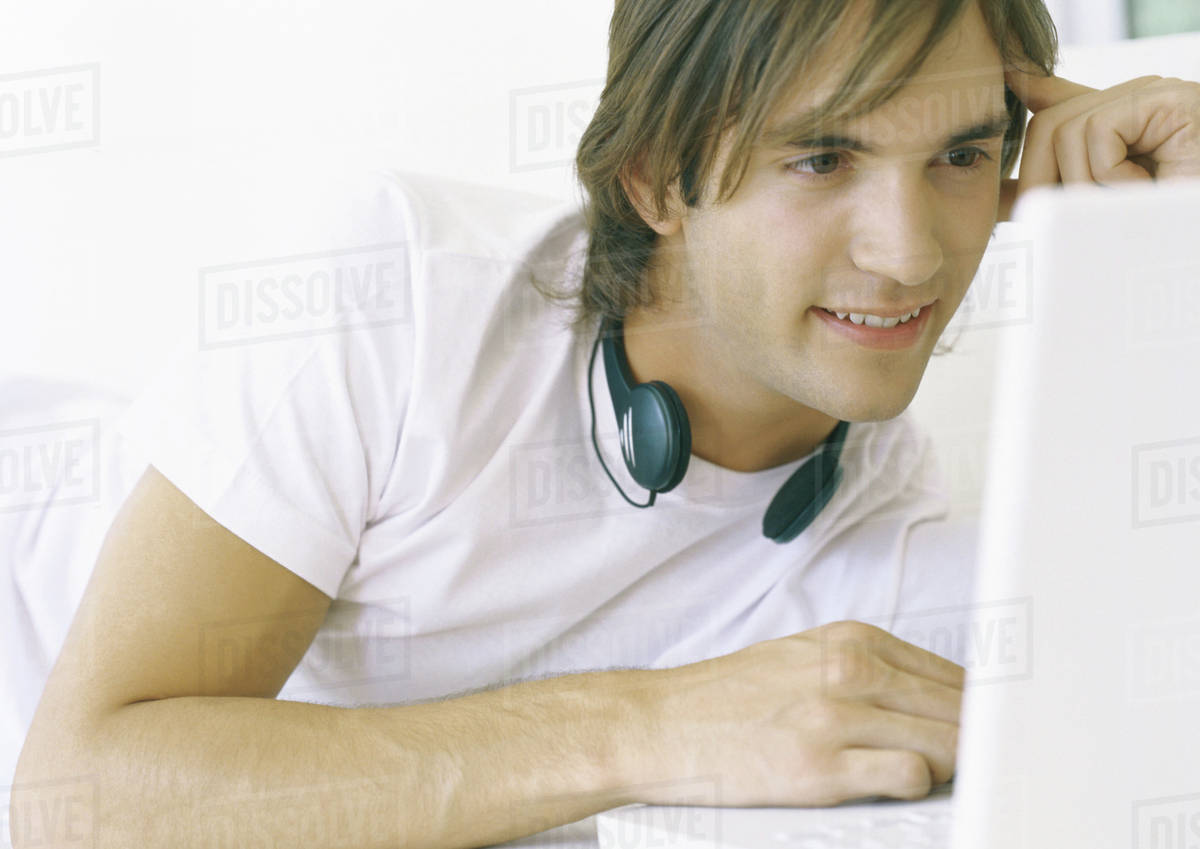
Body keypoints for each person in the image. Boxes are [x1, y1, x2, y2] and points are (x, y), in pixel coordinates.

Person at [9, 0, 1199, 847]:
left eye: (961, 155)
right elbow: (84, 796)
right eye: (823, 157)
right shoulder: (405, 294)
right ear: (655, 178)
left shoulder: (888, 521)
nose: (910, 252)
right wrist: (651, 724)